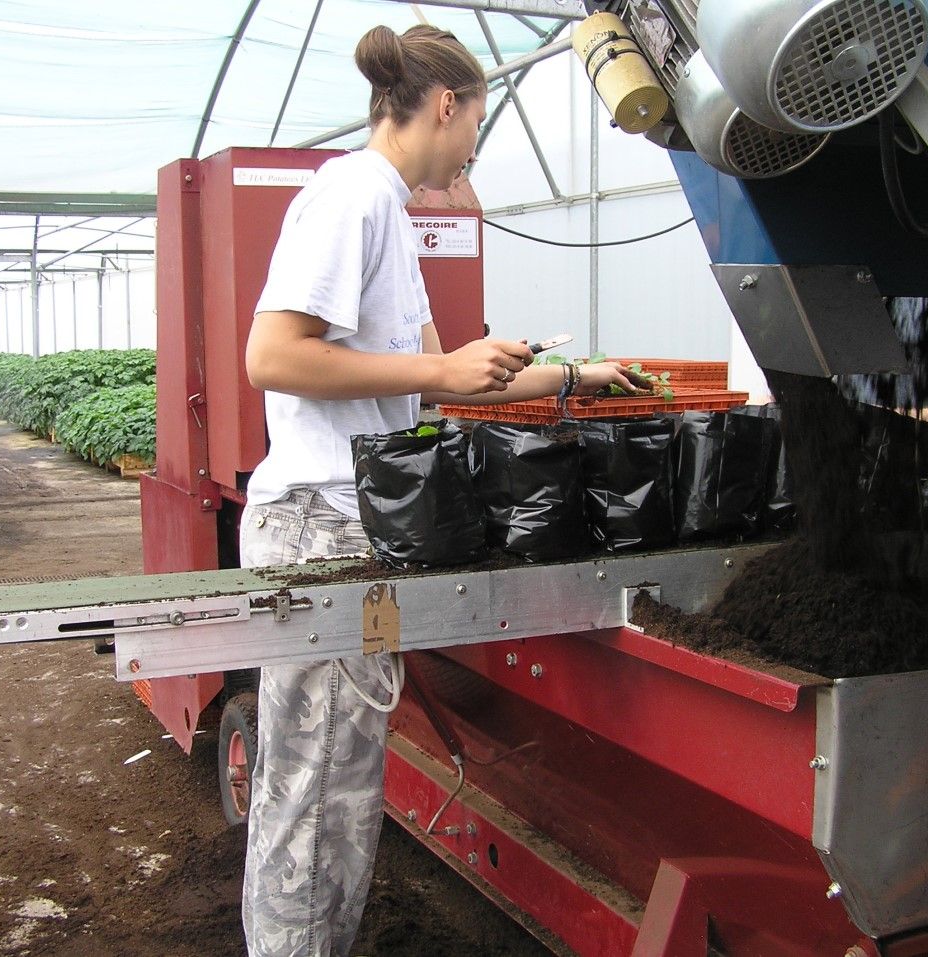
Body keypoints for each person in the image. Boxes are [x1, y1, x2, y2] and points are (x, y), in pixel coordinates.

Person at [238, 23, 635, 957]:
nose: (472, 150)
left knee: (337, 783)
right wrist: (445, 372)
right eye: (477, 125)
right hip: (320, 530)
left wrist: (571, 380)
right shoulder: (353, 196)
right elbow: (273, 356)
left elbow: (424, 377)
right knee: (316, 789)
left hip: (353, 530)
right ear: (445, 106)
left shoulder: (385, 209)